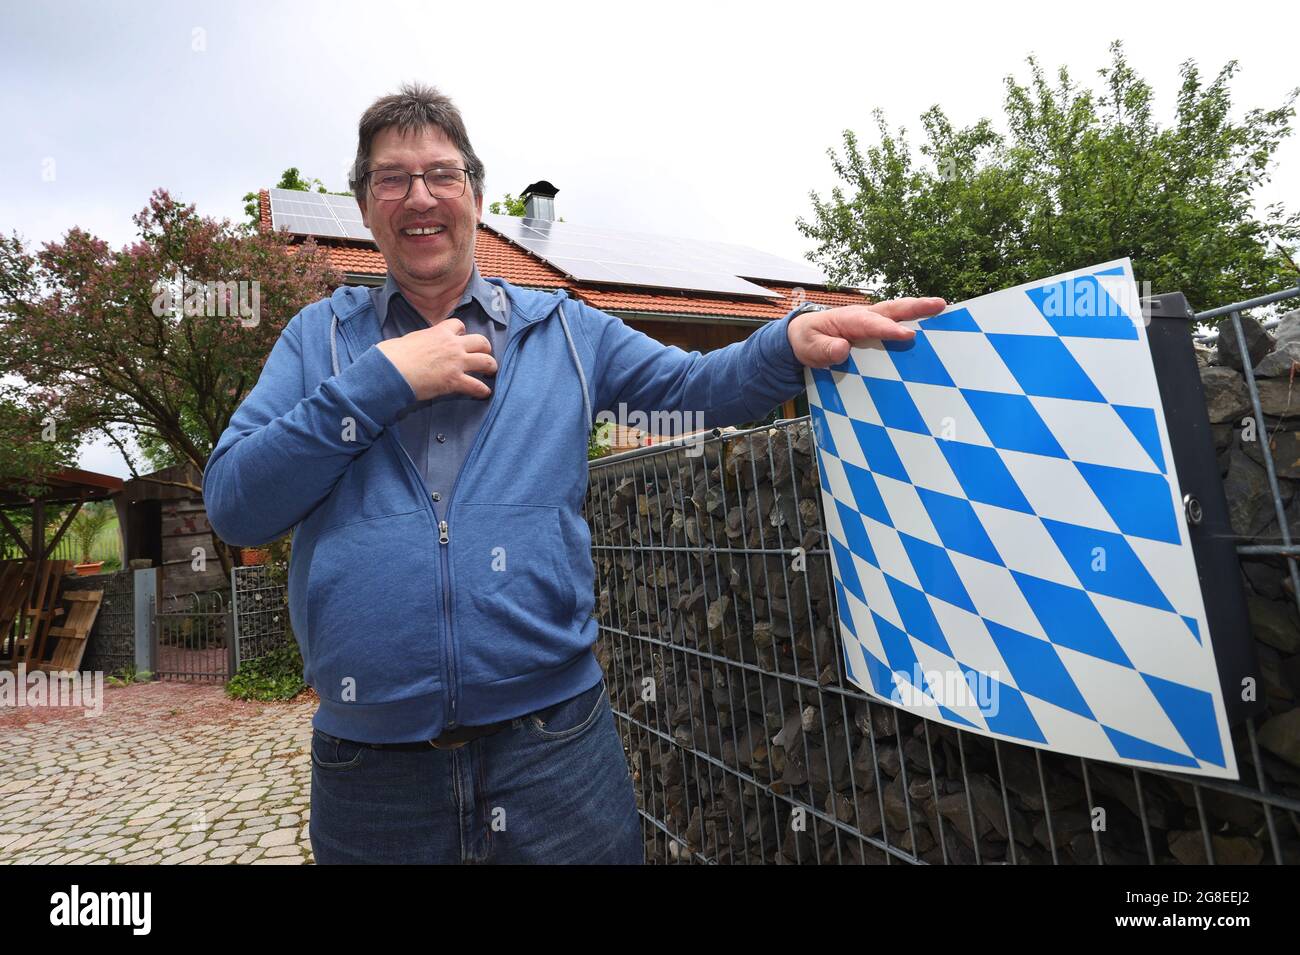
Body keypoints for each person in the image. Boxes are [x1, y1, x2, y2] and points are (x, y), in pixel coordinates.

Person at [202, 82, 945, 864]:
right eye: (392, 177)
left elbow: (692, 391)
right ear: (363, 207)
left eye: (441, 174)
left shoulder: (562, 329)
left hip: (553, 752)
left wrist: (791, 339)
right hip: (371, 773)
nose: (419, 196)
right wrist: (385, 379)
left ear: (476, 196)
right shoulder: (316, 340)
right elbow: (237, 505)